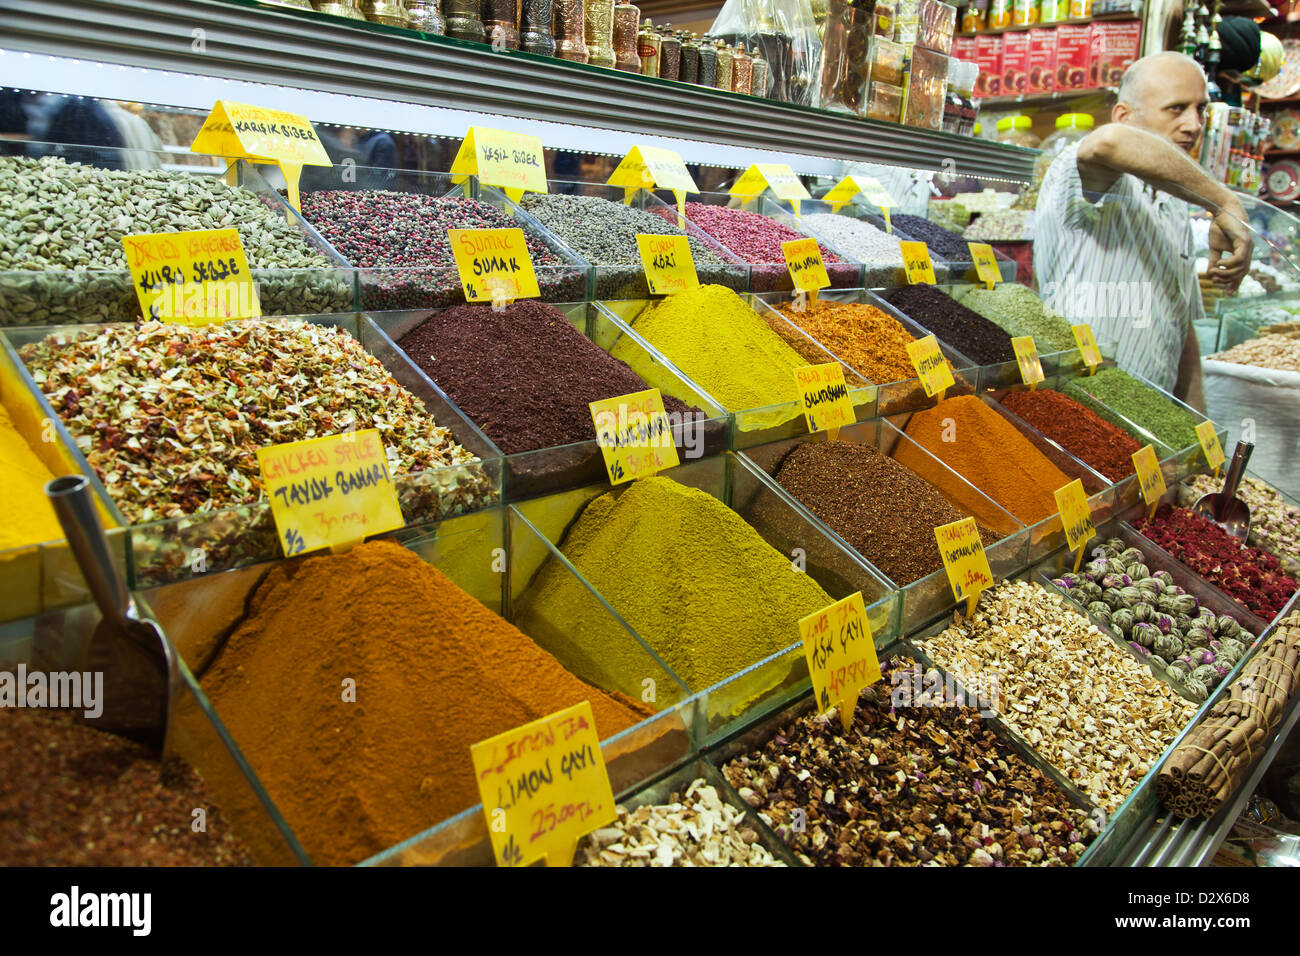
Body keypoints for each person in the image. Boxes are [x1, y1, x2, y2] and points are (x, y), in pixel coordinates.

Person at [1034, 51, 1254, 409]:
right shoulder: (1084, 172)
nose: (1194, 125)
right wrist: (1223, 202)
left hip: (1146, 422)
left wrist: (1197, 431)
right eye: (1176, 108)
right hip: (1074, 410)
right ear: (1124, 115)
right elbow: (1110, 143)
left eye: (1201, 109)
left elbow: (1180, 331)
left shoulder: (1175, 203)